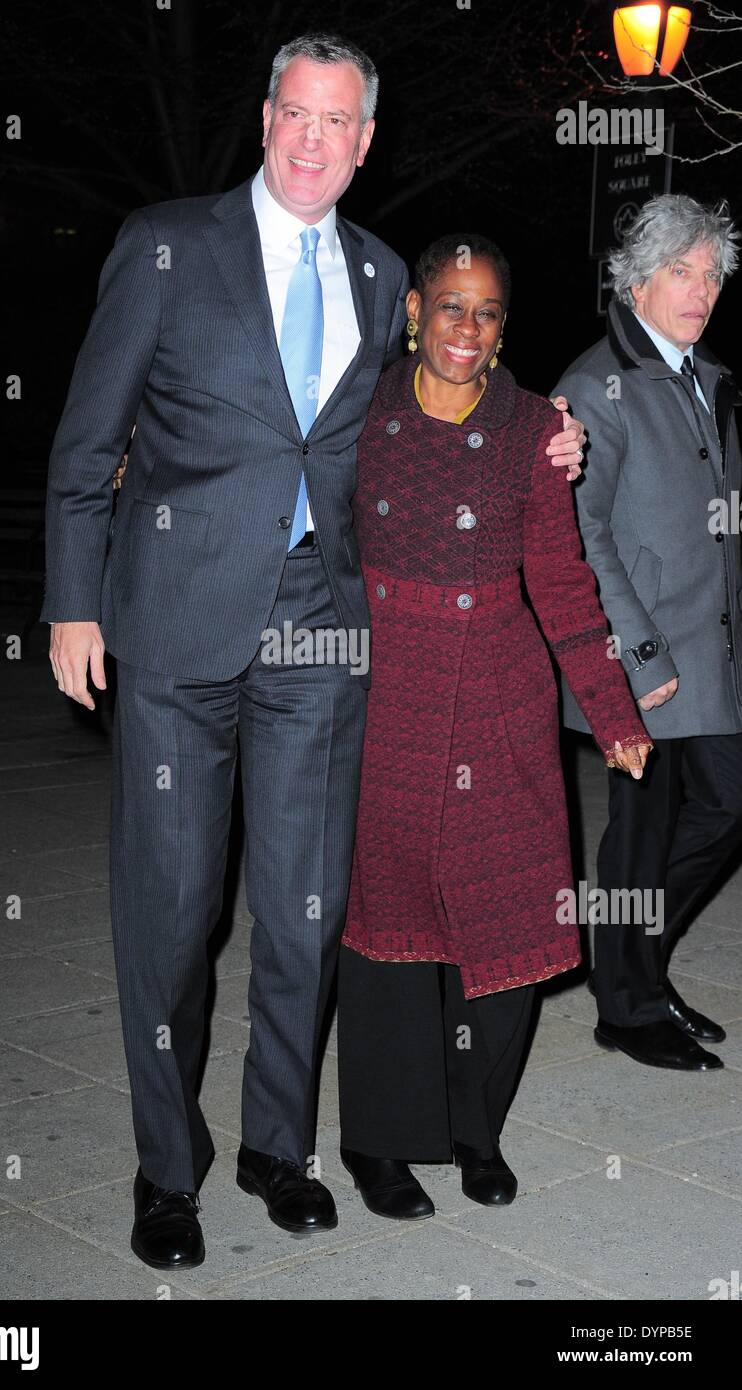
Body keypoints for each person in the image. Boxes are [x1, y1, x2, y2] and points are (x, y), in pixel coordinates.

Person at [41, 34, 586, 1269]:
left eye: (337, 122)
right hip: (176, 630)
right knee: (174, 916)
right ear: (269, 118)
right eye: (295, 112)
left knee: (304, 911)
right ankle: (164, 1168)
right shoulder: (166, 241)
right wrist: (74, 603)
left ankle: (276, 1147)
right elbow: (86, 438)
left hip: (321, 634)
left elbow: (438, 411)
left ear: (362, 143)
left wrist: (552, 429)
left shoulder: (381, 269)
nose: (310, 137)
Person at [337, 234, 651, 1219]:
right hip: (383, 694)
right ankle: (380, 1143)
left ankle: (474, 1131)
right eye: (447, 307)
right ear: (411, 313)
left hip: (499, 705)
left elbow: (558, 580)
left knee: (503, 920)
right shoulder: (360, 412)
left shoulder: (527, 429)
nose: (464, 328)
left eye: (483, 312)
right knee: (385, 933)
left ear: (500, 326)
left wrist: (609, 709)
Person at [554, 194, 742, 1073]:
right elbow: (575, 533)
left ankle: (633, 967)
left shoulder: (707, 378)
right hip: (645, 657)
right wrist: (635, 653)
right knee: (640, 832)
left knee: (721, 806)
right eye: (681, 270)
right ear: (636, 282)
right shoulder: (598, 385)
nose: (699, 289)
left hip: (711, 651)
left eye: (710, 273)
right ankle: (626, 1005)